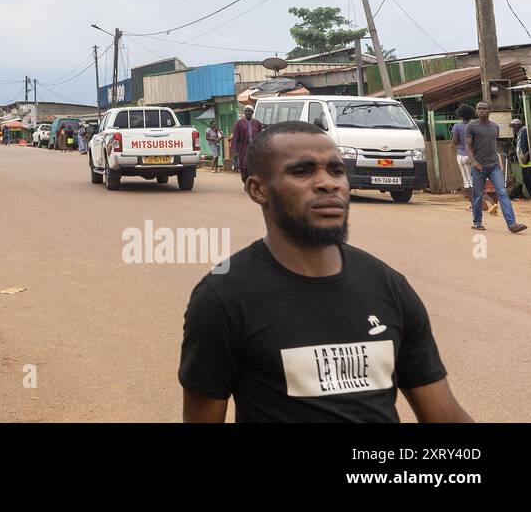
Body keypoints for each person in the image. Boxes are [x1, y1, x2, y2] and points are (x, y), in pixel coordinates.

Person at [179, 120, 472, 423]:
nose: (328, 183)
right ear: (258, 190)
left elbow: (443, 414)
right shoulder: (223, 298)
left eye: (336, 170)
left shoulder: (388, 286)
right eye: (302, 171)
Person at [464, 101, 527, 233]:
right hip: (478, 167)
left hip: (494, 166)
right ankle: (477, 222)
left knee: (503, 193)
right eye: (479, 109)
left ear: (490, 111)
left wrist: (498, 160)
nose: (481, 111)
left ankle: (512, 224)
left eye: (484, 109)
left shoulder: (495, 127)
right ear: (476, 111)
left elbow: (492, 145)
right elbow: (468, 146)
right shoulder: (471, 126)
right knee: (477, 195)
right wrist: (473, 161)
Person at [230, 106, 263, 185]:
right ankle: (246, 181)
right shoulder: (239, 123)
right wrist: (234, 151)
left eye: (249, 111)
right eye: (246, 111)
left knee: (254, 166)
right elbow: (235, 138)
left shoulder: (257, 123)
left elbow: (261, 136)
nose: (247, 113)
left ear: (252, 112)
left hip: (255, 149)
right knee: (244, 167)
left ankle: (252, 183)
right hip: (243, 149)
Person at [450, 104, 475, 199]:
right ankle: (480, 199)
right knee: (475, 179)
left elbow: (455, 142)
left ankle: (474, 203)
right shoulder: (473, 126)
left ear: (460, 115)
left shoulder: (457, 126)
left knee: (467, 181)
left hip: (462, 155)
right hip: (473, 156)